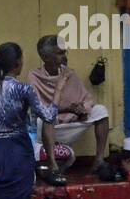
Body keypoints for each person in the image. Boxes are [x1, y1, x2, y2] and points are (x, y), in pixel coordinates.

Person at [0, 41, 60, 199]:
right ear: (18, 64)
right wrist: (59, 89)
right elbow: (49, 116)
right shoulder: (24, 89)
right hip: (19, 151)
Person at [28, 35, 112, 179]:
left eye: (64, 52)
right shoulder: (34, 76)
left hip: (72, 122)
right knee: (44, 119)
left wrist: (82, 108)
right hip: (50, 129)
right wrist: (68, 108)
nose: (64, 57)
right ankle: (53, 166)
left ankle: (99, 160)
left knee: (101, 110)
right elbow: (39, 110)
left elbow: (87, 99)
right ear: (45, 57)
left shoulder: (69, 73)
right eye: (60, 53)